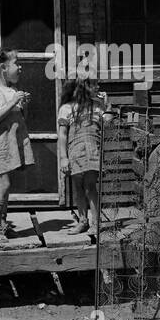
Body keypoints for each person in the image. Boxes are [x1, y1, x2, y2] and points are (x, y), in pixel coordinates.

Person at [0, 46, 34, 249]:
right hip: (0, 144)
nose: (20, 68)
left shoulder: (11, 90)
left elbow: (21, 119)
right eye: (16, 64)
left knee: (7, 185)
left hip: (11, 142)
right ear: (3, 67)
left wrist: (24, 104)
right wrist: (13, 102)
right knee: (3, 186)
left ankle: (2, 223)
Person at [57, 77, 108, 236]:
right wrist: (63, 158)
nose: (98, 86)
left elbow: (108, 123)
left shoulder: (98, 107)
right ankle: (83, 221)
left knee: (90, 186)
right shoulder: (67, 108)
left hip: (93, 151)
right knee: (78, 188)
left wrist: (108, 105)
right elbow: (63, 135)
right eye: (94, 84)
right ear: (84, 87)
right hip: (75, 153)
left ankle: (95, 223)